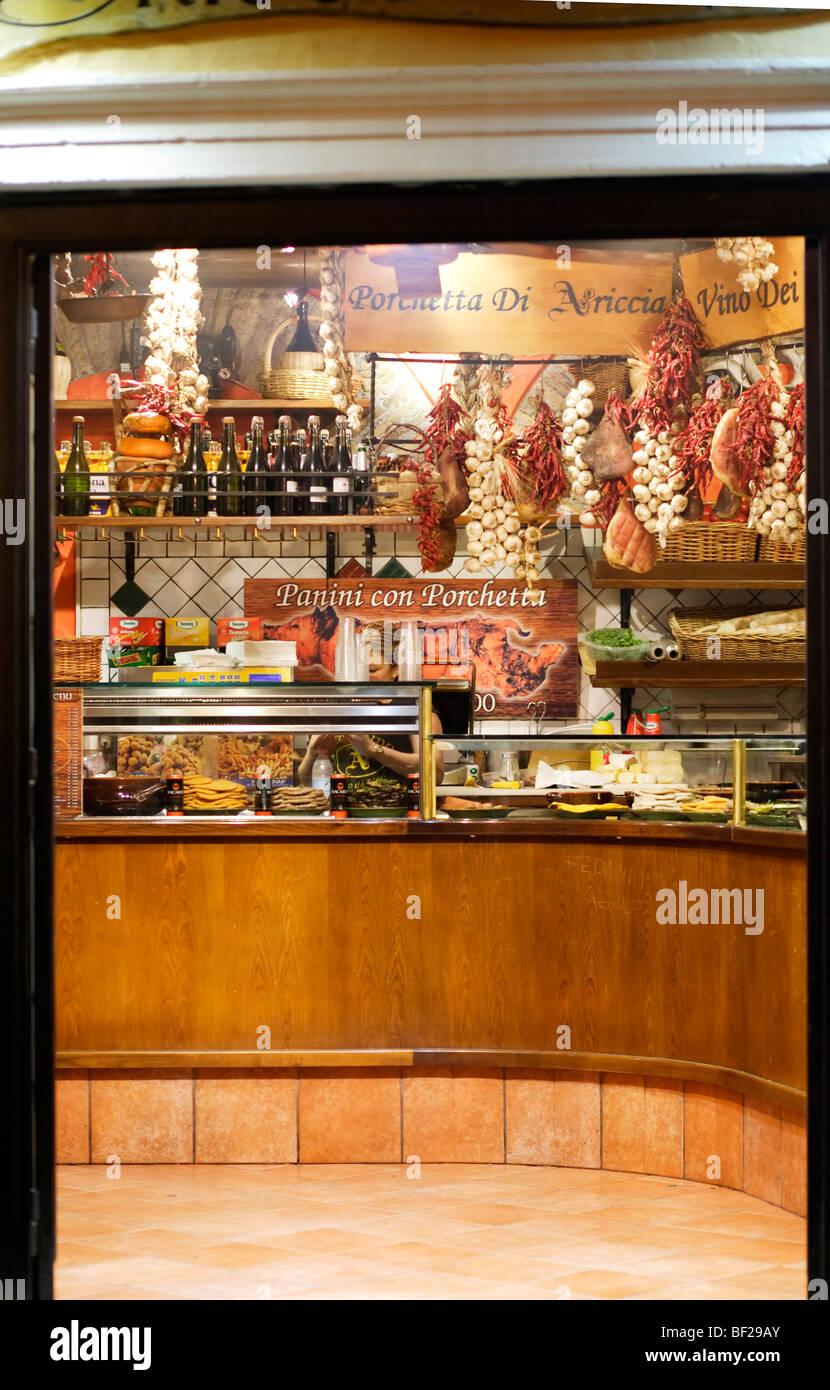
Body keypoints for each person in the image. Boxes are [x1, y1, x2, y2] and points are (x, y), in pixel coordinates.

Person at [297, 630, 443, 797]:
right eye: (360, 669)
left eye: (373, 670)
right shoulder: (338, 707)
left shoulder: (413, 707)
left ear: (395, 669)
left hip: (392, 810)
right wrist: (313, 753)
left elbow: (435, 774)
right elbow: (305, 781)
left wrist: (372, 749)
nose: (365, 677)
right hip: (340, 811)